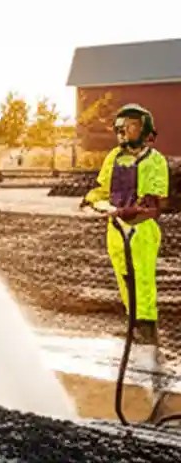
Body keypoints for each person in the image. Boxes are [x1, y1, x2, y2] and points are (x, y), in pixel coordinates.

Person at [80, 103, 167, 374]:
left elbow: (153, 202)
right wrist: (92, 200)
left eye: (128, 127)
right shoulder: (114, 158)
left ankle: (148, 336)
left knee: (142, 280)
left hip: (140, 230)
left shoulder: (154, 160)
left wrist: (132, 212)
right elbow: (102, 189)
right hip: (116, 228)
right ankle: (134, 328)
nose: (122, 133)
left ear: (144, 129)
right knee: (124, 279)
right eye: (119, 128)